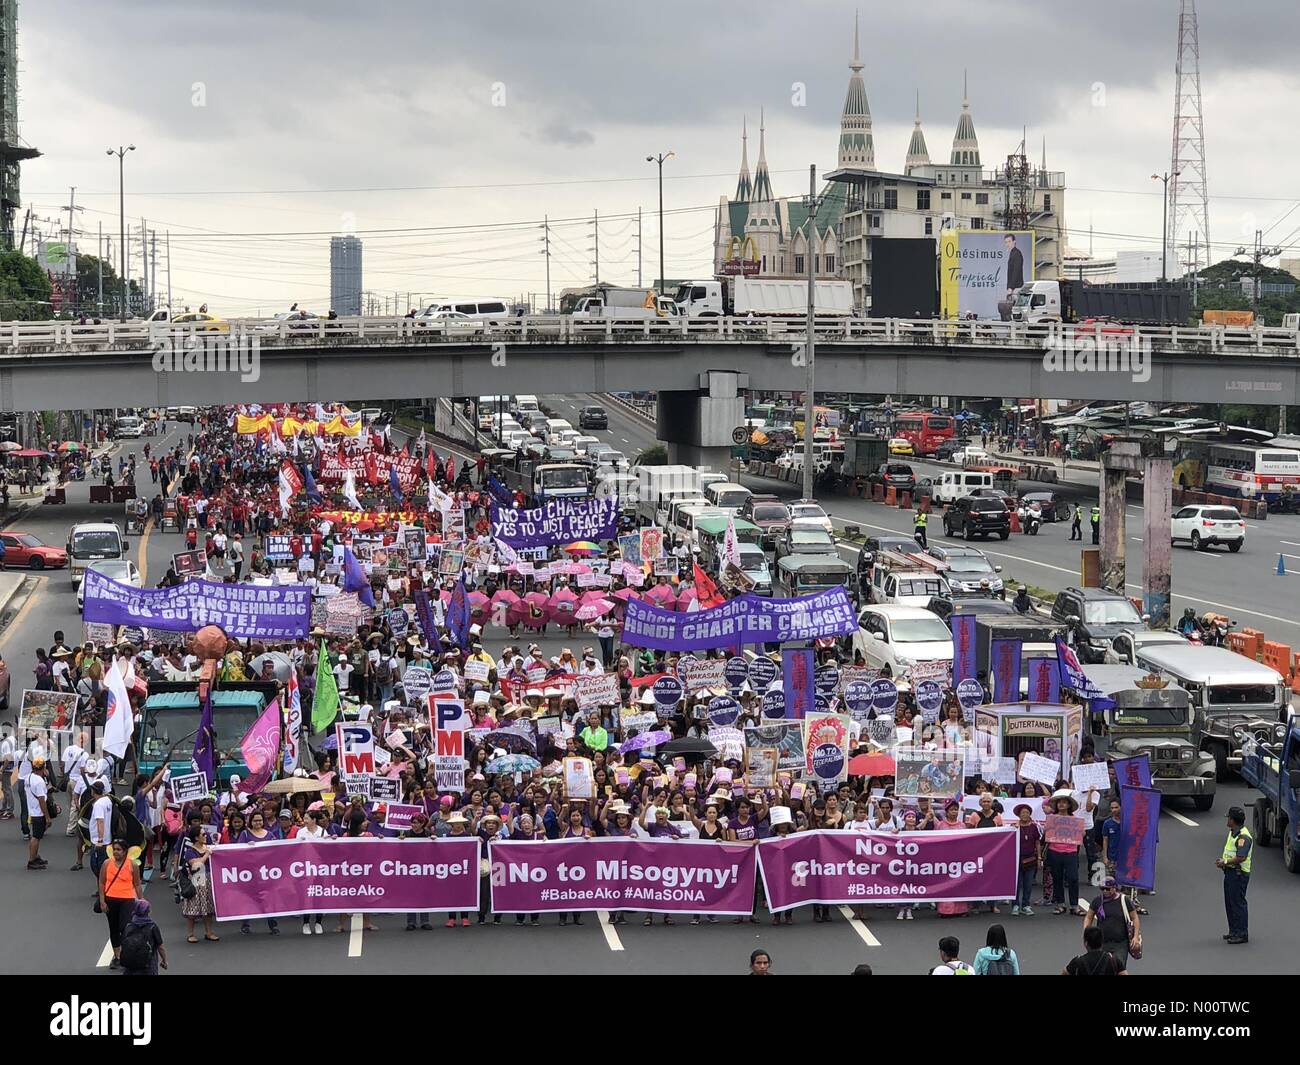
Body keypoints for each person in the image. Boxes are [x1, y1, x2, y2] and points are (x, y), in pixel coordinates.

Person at [98, 839, 143, 969]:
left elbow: (137, 884)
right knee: (113, 928)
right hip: (110, 899)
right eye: (114, 849)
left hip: (127, 899)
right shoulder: (107, 863)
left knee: (125, 927)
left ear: (124, 852)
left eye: (119, 850)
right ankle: (117, 956)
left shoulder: (132, 865)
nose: (116, 852)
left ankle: (125, 954)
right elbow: (101, 882)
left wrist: (141, 901)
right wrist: (102, 901)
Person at [1084, 876, 1139, 968]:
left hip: (1120, 943)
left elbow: (1134, 918)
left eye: (1107, 889)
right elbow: (1089, 917)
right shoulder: (1097, 901)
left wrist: (1135, 936)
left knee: (1118, 966)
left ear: (1114, 888)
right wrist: (1086, 931)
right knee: (1101, 967)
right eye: (1102, 889)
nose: (1105, 891)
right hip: (1102, 943)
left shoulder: (1124, 900)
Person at [1216, 806, 1252, 945]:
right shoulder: (1233, 832)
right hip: (1230, 872)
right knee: (1230, 903)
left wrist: (1225, 861)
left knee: (1237, 903)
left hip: (1238, 874)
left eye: (1229, 818)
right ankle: (1233, 931)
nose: (1227, 820)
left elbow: (1241, 857)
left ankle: (1242, 933)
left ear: (1233, 820)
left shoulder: (1243, 837)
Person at [179, 825, 220, 943]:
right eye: (203, 834)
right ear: (196, 837)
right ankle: (190, 934)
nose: (206, 836)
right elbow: (196, 865)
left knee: (208, 908)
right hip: (196, 881)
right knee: (193, 908)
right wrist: (207, 854)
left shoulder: (208, 848)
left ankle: (209, 932)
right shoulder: (190, 851)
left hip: (208, 881)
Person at [119, 898, 167, 976]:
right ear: (148, 911)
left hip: (131, 963)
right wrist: (164, 960)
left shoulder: (129, 926)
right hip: (148, 964)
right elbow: (160, 947)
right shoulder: (152, 927)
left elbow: (123, 945)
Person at [24, 756, 51, 869]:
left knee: (37, 836)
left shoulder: (28, 777)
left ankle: (35, 857)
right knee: (36, 837)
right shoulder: (39, 782)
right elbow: (41, 800)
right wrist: (47, 817)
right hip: (38, 813)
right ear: (43, 767)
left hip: (32, 809)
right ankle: (31, 860)